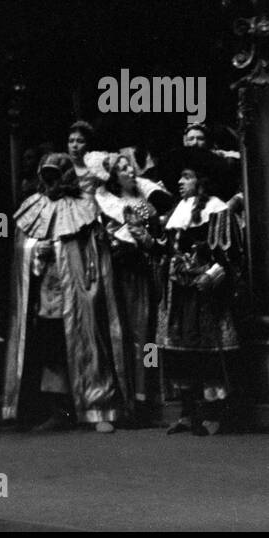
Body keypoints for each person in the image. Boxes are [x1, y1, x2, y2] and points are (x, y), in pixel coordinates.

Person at [3, 153, 130, 433]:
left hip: (79, 289)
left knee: (89, 345)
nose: (50, 182)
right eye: (46, 176)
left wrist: (91, 281)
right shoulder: (32, 205)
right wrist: (36, 251)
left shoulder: (84, 205)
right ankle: (59, 410)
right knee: (53, 351)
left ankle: (99, 408)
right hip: (47, 291)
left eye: (55, 176)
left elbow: (96, 250)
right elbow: (20, 249)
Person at [157, 148, 247, 436]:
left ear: (201, 180)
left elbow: (231, 255)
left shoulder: (218, 210)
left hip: (206, 294)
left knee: (208, 353)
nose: (180, 182)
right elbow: (167, 249)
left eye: (187, 177)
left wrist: (211, 276)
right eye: (180, 177)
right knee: (181, 352)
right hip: (180, 292)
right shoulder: (177, 211)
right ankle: (187, 412)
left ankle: (214, 414)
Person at [96, 152, 172, 423]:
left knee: (146, 333)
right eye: (123, 168)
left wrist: (150, 239)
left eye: (130, 166)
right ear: (114, 176)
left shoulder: (146, 197)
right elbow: (106, 237)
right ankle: (125, 397)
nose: (129, 170)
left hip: (146, 271)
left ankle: (147, 393)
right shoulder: (108, 202)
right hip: (121, 273)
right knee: (124, 332)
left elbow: (160, 233)